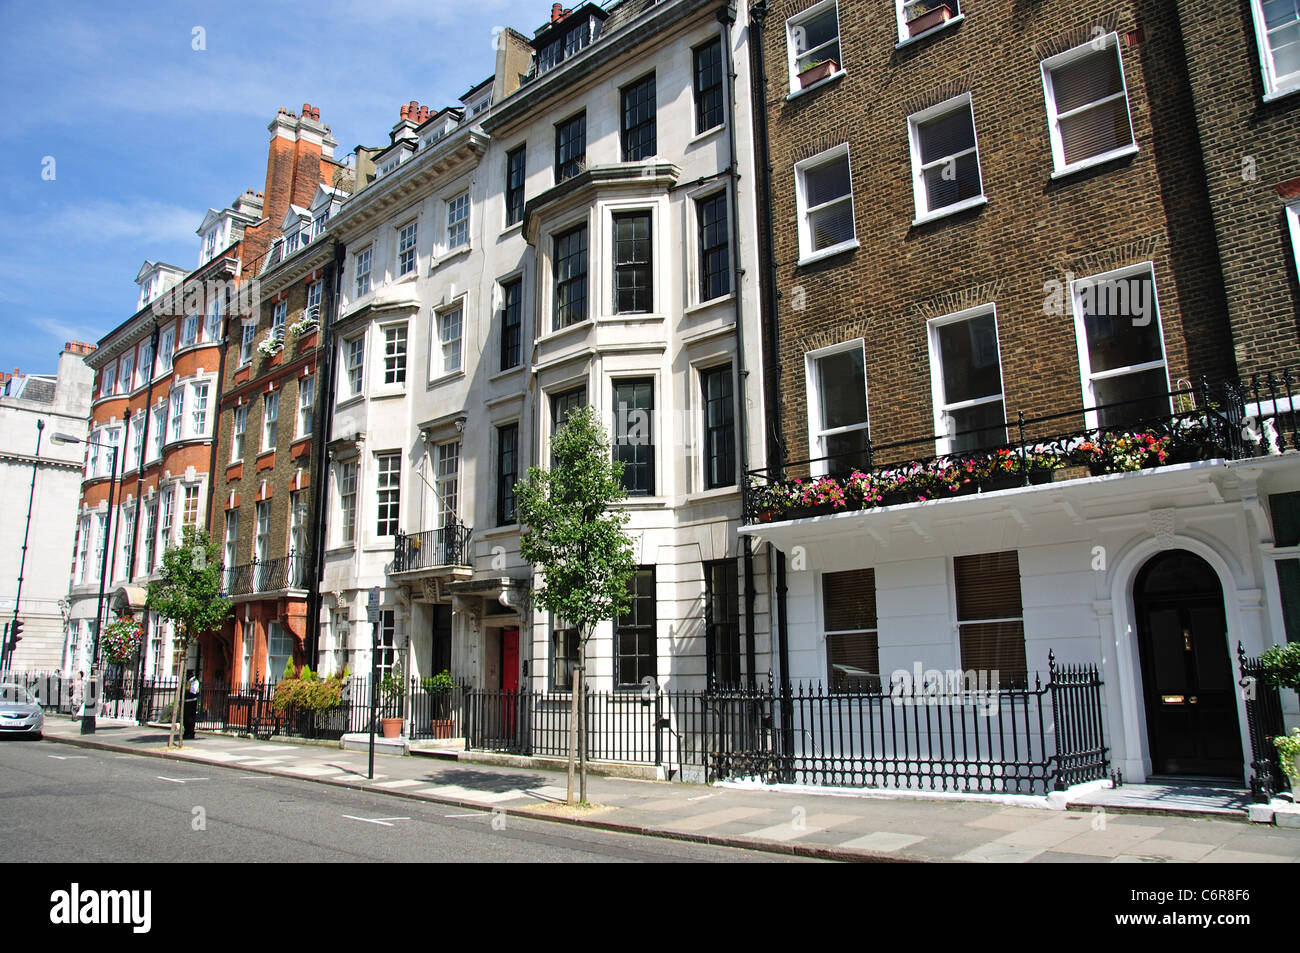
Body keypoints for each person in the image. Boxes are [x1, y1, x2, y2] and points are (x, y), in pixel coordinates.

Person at [182, 671, 199, 740]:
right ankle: (186, 732)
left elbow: (193, 691)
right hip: (186, 701)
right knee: (185, 718)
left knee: (190, 718)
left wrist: (185, 691)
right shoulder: (188, 681)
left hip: (192, 702)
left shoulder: (194, 681)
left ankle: (190, 732)